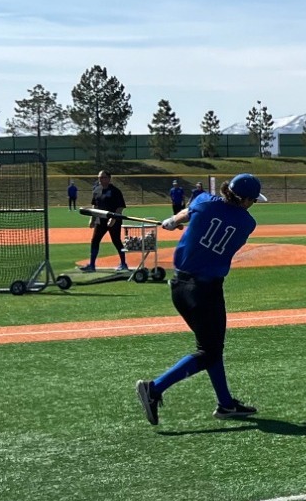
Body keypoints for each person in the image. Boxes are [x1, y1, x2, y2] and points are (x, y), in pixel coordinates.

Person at [135, 173, 267, 425]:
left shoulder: (204, 201)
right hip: (205, 292)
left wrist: (172, 221)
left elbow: (187, 213)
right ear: (246, 199)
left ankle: (226, 404)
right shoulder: (247, 223)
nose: (253, 204)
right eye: (253, 200)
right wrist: (181, 220)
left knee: (212, 348)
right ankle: (154, 388)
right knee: (208, 350)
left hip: (180, 287)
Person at [83, 170, 131, 271]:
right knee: (95, 240)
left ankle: (123, 264)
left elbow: (120, 207)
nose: (101, 179)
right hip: (101, 220)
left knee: (116, 241)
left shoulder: (115, 191)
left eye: (103, 177)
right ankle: (92, 265)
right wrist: (92, 219)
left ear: (109, 178)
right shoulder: (96, 190)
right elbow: (94, 205)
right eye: (99, 177)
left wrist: (113, 219)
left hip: (113, 220)